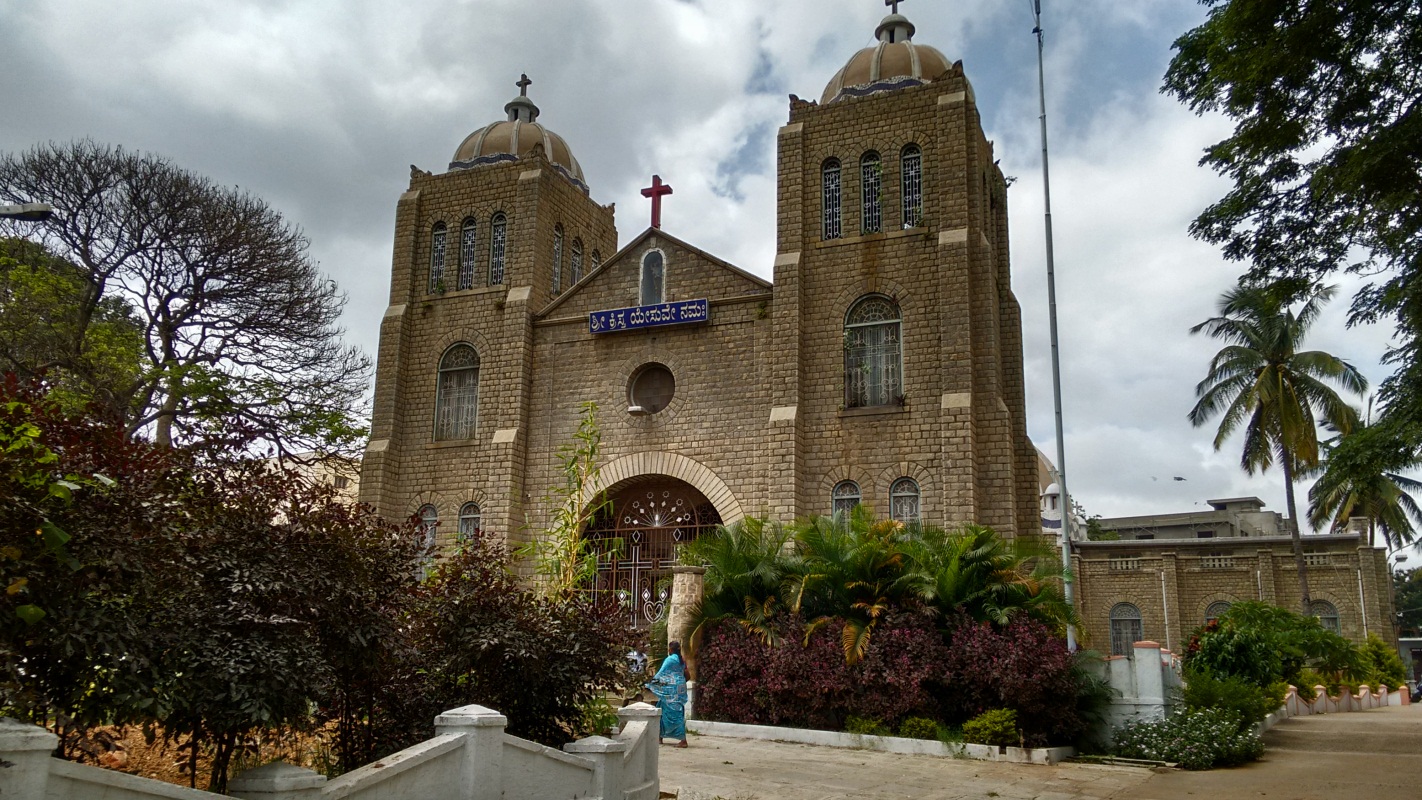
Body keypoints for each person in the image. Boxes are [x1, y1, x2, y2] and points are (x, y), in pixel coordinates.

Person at [645, 640, 689, 747]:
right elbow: (686, 675)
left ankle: (683, 740)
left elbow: (661, 673)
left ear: (670, 649)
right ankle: (660, 736)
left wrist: (650, 684)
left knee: (675, 714)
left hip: (670, 690)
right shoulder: (682, 660)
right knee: (662, 709)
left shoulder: (670, 659)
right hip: (679, 689)